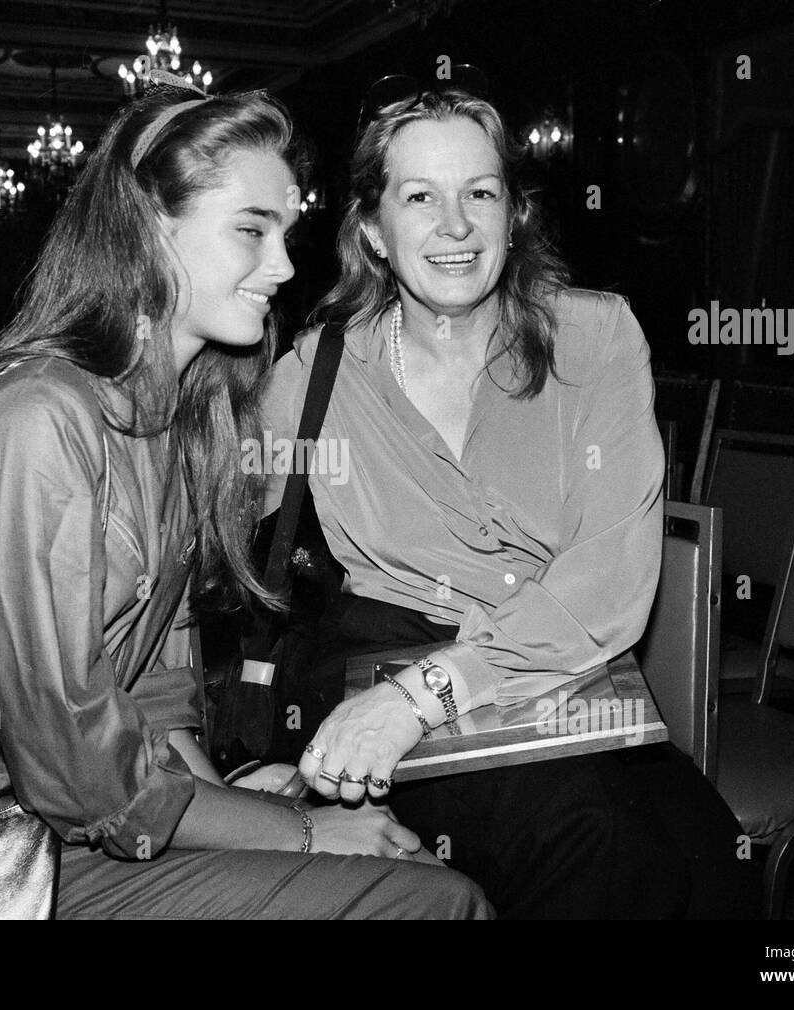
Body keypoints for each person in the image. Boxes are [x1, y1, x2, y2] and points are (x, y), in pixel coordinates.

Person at [0, 81, 490, 920]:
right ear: (148, 233)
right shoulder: (41, 417)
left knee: (423, 878)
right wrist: (293, 832)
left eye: (286, 233)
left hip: (54, 816)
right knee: (432, 904)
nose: (287, 265)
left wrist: (260, 819)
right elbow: (75, 766)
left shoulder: (183, 423)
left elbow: (158, 698)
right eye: (251, 230)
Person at [262, 80, 760, 918]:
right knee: (596, 839)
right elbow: (190, 530)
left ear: (511, 215)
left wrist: (425, 695)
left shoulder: (595, 338)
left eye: (480, 193)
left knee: (707, 856)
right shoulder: (317, 373)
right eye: (419, 196)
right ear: (375, 231)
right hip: (381, 667)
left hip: (559, 670)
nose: (455, 226)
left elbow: (609, 579)